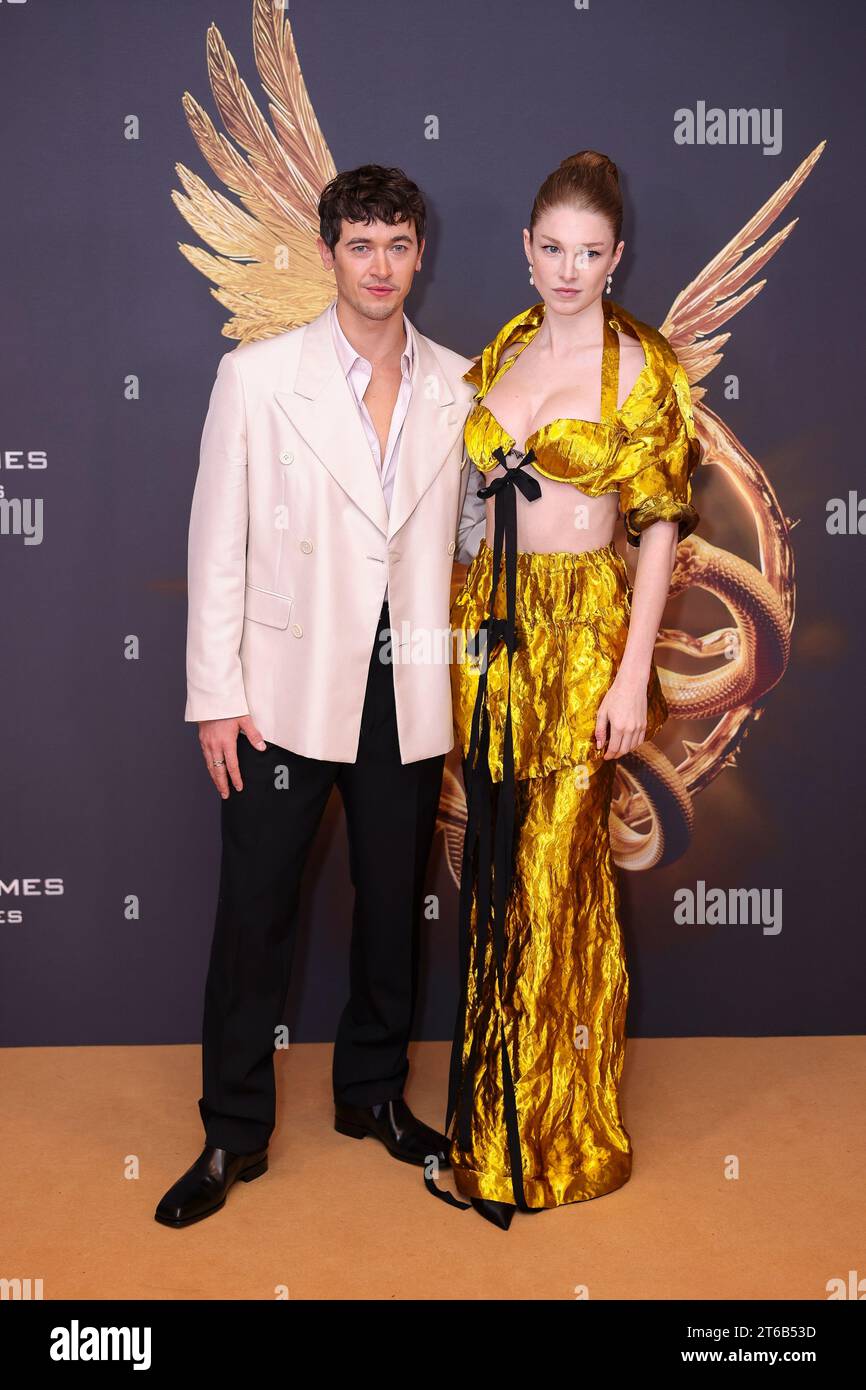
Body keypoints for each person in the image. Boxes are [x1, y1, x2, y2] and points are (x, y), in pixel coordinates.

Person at [155, 165, 481, 1228]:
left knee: (392, 910)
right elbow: (216, 546)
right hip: (282, 690)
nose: (379, 266)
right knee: (256, 915)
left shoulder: (461, 384)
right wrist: (215, 696)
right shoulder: (256, 378)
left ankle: (373, 1097)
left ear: (417, 255)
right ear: (327, 251)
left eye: (396, 244)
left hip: (410, 680)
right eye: (360, 245)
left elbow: (471, 534)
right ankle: (231, 1132)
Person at [426, 150, 701, 1229]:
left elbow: (660, 527)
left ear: (615, 255)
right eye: (551, 248)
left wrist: (631, 674)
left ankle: (553, 1135)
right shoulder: (504, 344)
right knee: (496, 877)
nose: (568, 268)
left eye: (589, 252)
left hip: (584, 642)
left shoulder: (642, 365)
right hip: (488, 638)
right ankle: (487, 1125)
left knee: (553, 881)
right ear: (526, 249)